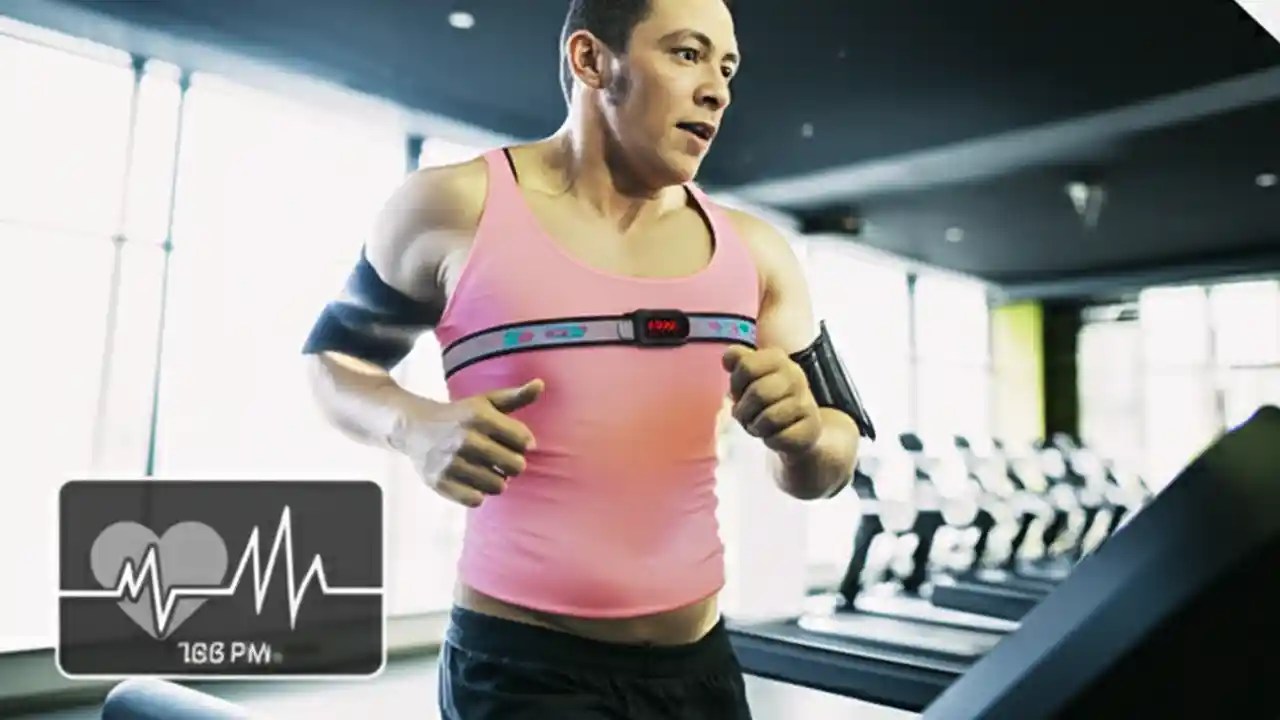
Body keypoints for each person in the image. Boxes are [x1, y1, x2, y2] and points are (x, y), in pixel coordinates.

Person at [301, 0, 875, 717]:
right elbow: (332, 360)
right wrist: (412, 425)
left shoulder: (757, 253)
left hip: (699, 668)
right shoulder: (450, 207)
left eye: (728, 68)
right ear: (591, 59)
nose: (719, 90)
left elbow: (832, 458)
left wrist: (804, 438)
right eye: (688, 54)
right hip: (522, 671)